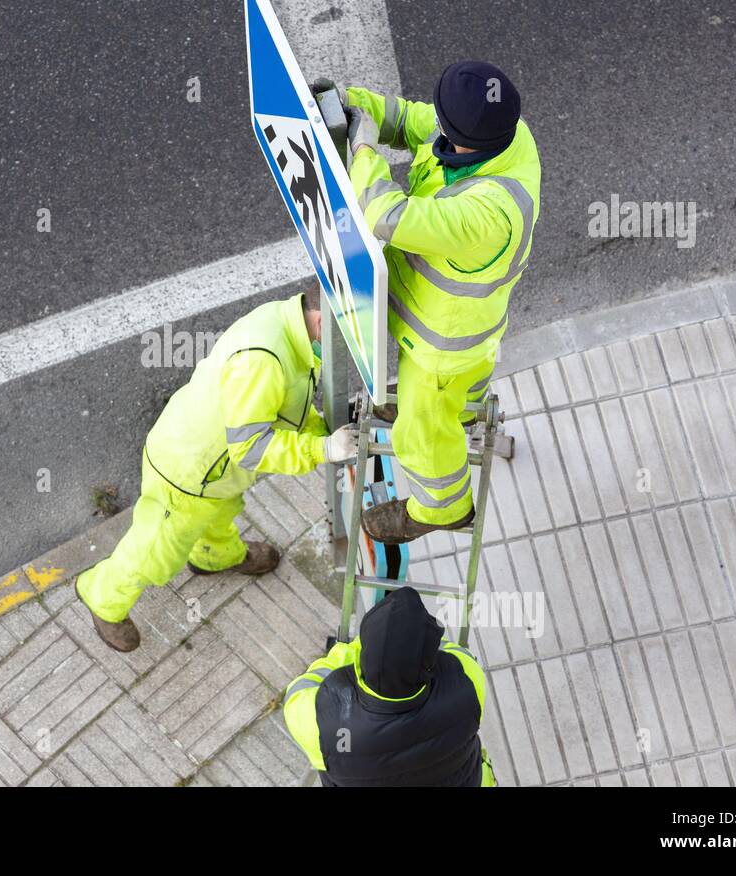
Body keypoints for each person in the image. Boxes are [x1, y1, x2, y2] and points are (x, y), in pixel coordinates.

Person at [316, 61, 540, 544]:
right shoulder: (503, 133)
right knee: (456, 401)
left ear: (464, 140)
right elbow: (411, 121)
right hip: (469, 333)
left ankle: (442, 510)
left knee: (420, 436)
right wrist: (350, 103)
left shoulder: (489, 214)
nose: (434, 123)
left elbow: (385, 215)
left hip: (441, 350)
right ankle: (458, 417)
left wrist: (362, 147)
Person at [75, 286, 358, 652]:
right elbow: (251, 449)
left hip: (213, 472)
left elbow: (284, 409)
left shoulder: (289, 325)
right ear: (322, 320)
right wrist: (322, 448)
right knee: (154, 550)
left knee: (220, 513)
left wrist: (324, 429)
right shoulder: (264, 360)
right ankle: (102, 597)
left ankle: (214, 557)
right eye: (349, 335)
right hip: (187, 474)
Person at [283, 586, 495, 786]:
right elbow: (455, 652)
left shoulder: (321, 722)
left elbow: (300, 688)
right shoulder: (467, 680)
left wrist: (351, 650)